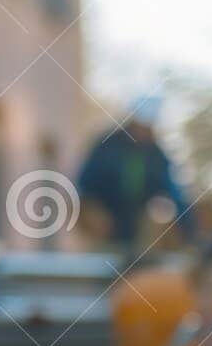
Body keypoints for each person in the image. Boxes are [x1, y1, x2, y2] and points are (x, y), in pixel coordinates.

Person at [76, 93, 192, 266]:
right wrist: (91, 211)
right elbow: (83, 184)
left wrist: (189, 232)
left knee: (139, 262)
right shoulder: (106, 146)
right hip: (105, 224)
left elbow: (175, 194)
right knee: (106, 267)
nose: (146, 131)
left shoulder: (155, 155)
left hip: (136, 225)